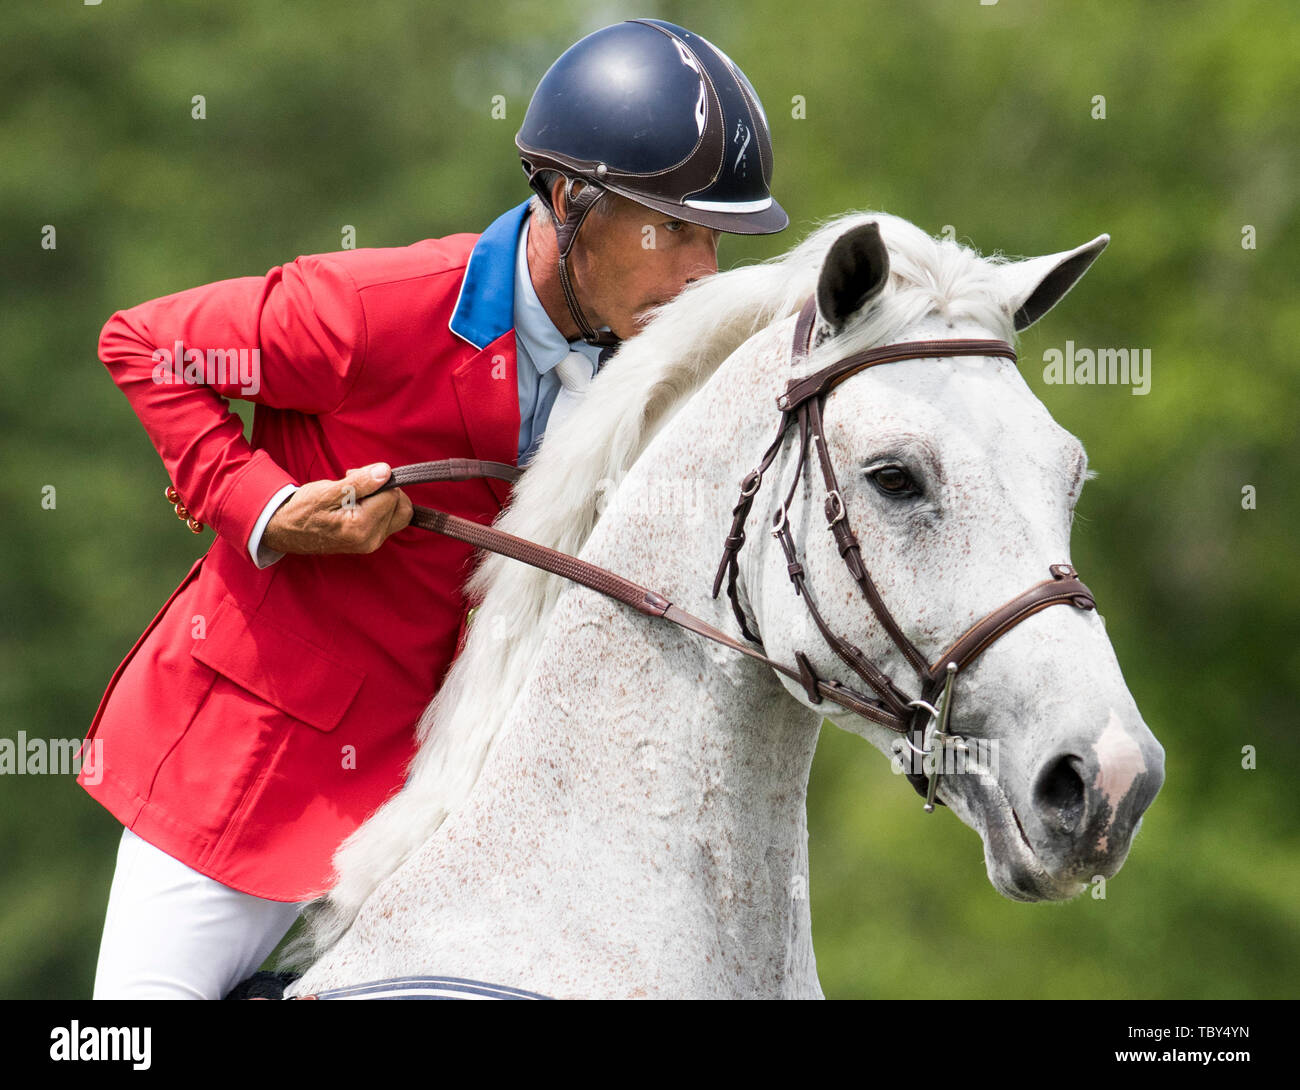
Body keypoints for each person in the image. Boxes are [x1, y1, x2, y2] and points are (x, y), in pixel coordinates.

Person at [82, 18, 787, 999]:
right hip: (253, 777)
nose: (702, 272)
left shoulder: (656, 370)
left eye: (714, 238)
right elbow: (148, 346)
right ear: (571, 201)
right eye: (676, 229)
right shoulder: (376, 309)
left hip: (456, 809)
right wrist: (268, 508)